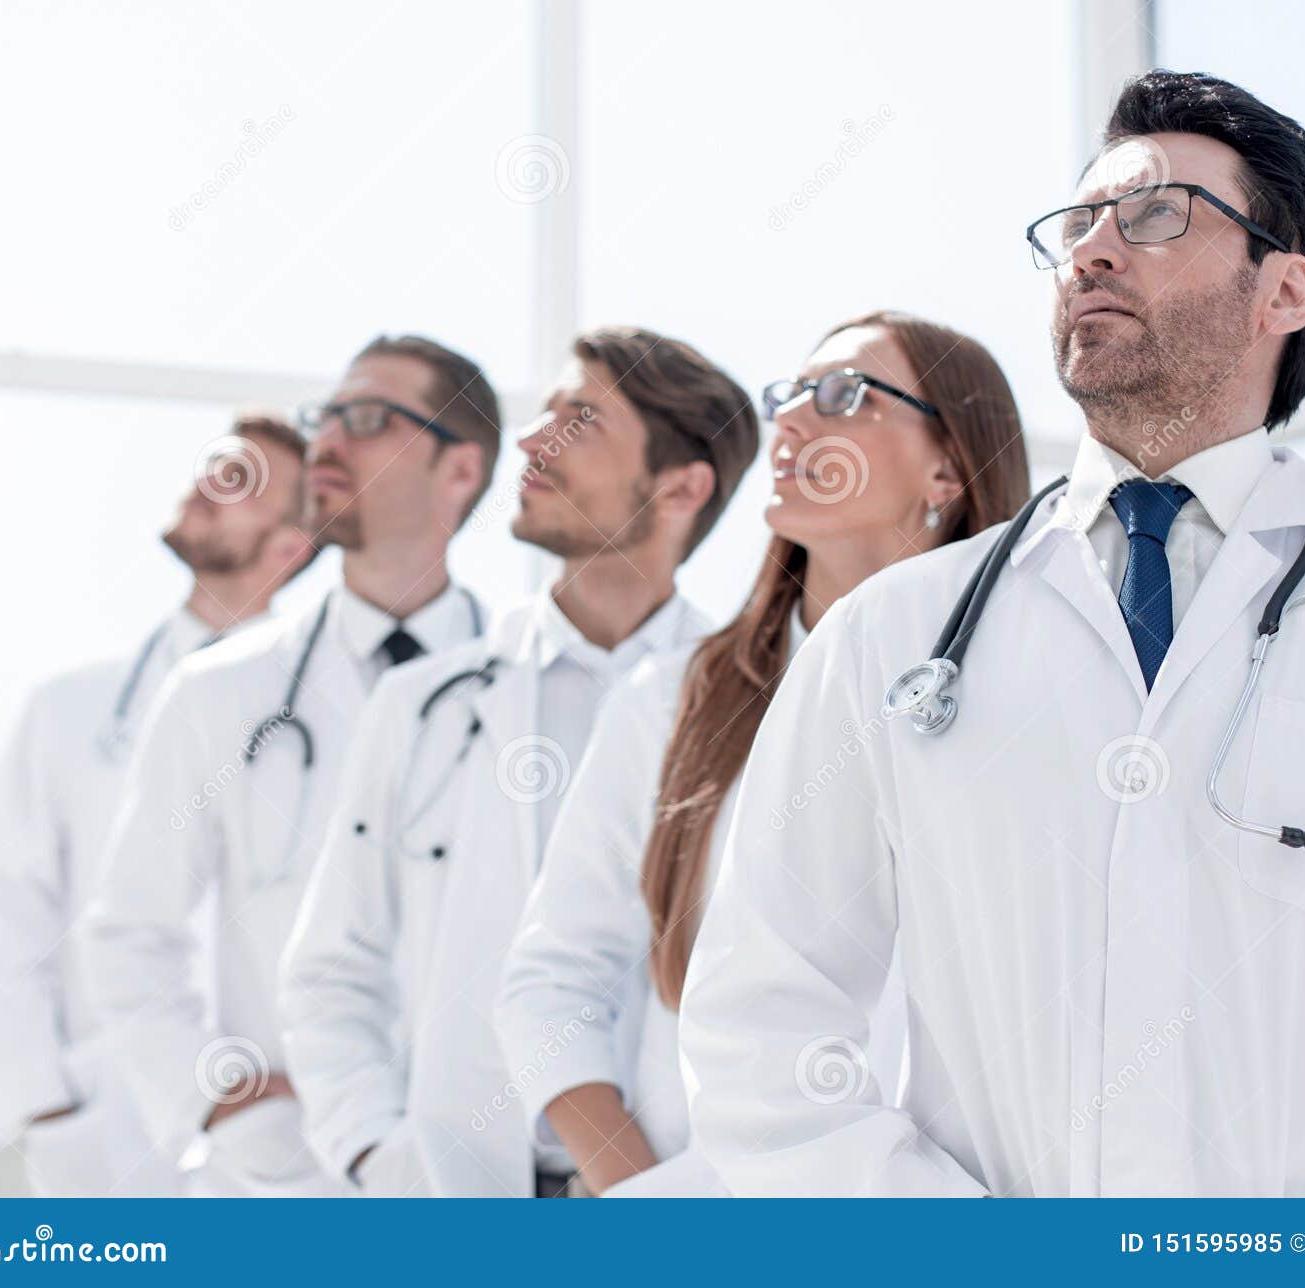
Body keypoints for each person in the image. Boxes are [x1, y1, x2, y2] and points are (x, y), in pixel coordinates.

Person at [678, 70, 1305, 1198]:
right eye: (1078, 224)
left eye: (1153, 215)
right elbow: (760, 1018)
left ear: (1284, 292)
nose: (1093, 251)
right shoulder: (891, 637)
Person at [496, 312, 1030, 1196]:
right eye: (789, 397)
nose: (791, 421)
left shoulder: (1025, 701)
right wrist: (642, 1199)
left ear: (947, 464)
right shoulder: (673, 702)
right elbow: (553, 981)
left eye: (842, 395)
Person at [278, 326, 761, 1198]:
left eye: (580, 420)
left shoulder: (762, 714)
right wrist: (378, 1156)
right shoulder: (425, 704)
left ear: (682, 484)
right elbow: (331, 971)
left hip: (687, 1200)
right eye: (544, 416)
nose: (535, 442)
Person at [84, 335, 501, 1197]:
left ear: (461, 470)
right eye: (327, 418)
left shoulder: (526, 693)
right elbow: (129, 930)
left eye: (370, 419)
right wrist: (214, 1100)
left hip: (474, 1164)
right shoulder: (222, 689)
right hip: (283, 1172)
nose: (330, 443)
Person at [0, 416, 316, 1197]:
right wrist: (42, 1102)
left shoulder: (331, 713)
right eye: (214, 466)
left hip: (278, 1117)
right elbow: (2, 906)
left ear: (291, 546)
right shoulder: (69, 707)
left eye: (243, 480)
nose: (208, 483)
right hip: (100, 1116)